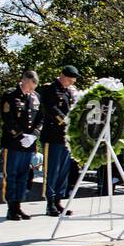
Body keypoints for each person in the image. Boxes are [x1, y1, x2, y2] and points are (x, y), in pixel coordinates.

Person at [1, 70, 42, 220]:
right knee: (11, 175)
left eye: (34, 87)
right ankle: (11, 207)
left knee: (23, 176)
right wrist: (19, 135)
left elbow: (40, 118)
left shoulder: (36, 97)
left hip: (29, 143)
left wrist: (34, 136)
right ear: (24, 80)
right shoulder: (10, 95)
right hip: (13, 142)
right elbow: (7, 117)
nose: (32, 90)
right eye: (31, 86)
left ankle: (18, 205)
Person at [39, 66, 79, 217]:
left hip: (65, 138)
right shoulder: (49, 89)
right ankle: (49, 203)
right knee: (52, 171)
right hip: (52, 136)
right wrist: (65, 120)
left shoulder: (68, 92)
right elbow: (50, 108)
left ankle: (58, 201)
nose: (71, 83)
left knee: (63, 171)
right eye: (69, 79)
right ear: (62, 76)